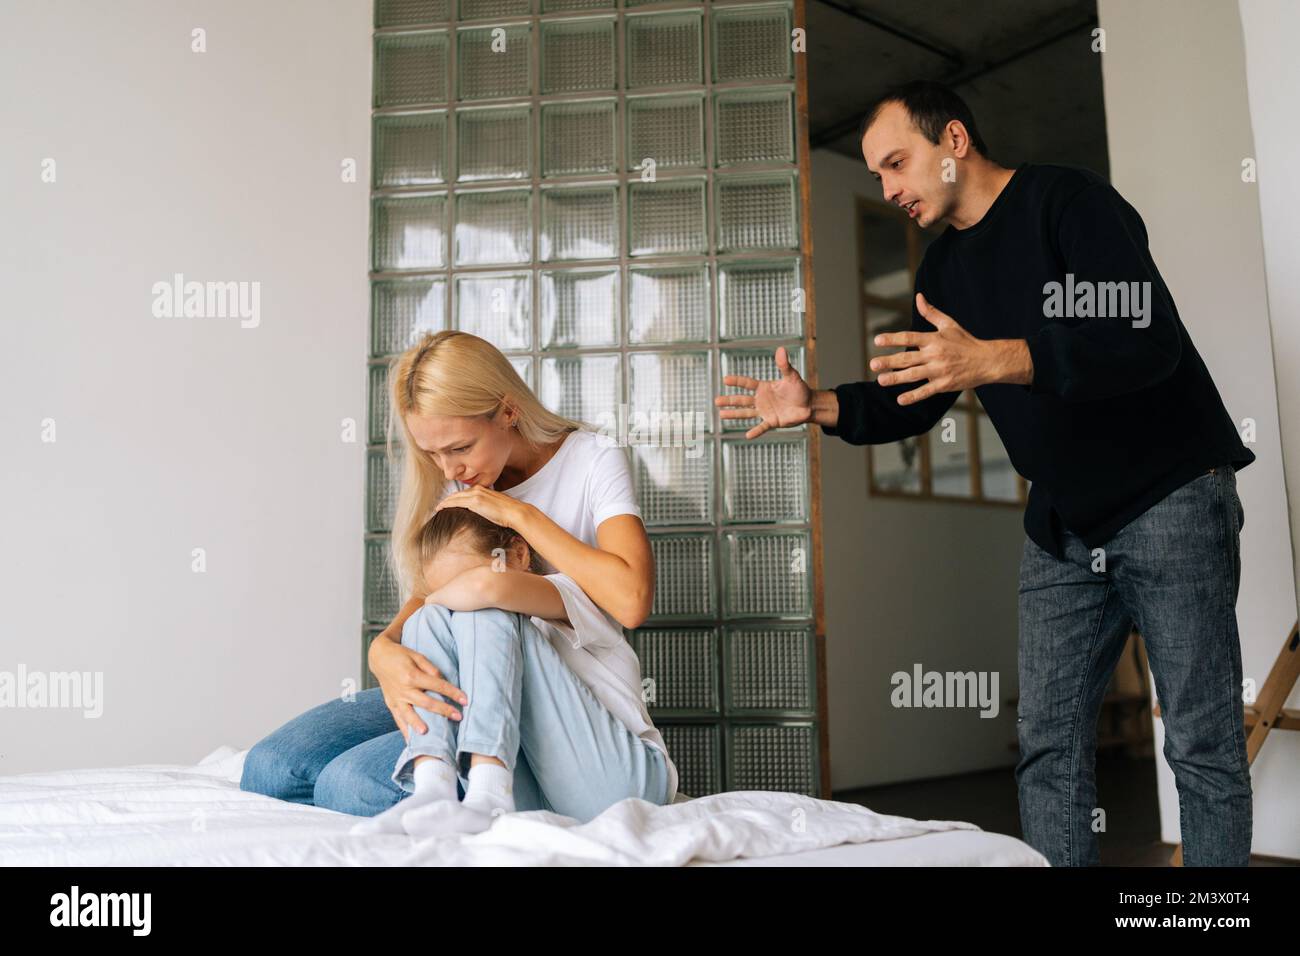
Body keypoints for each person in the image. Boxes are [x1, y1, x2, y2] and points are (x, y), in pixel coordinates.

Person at [715, 80, 1255, 867]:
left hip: (1169, 495)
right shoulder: (943, 272)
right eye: (876, 176)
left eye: (896, 163)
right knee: (1047, 743)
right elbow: (912, 397)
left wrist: (1001, 358)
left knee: (1202, 741)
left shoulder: (1069, 203)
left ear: (955, 142)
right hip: (1063, 526)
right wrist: (818, 405)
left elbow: (1146, 342)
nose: (889, 188)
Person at [241, 330, 675, 826]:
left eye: (460, 447)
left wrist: (518, 514)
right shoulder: (459, 481)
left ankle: (487, 782)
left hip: (577, 722)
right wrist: (384, 650)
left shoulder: (591, 458)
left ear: (507, 411)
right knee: (273, 768)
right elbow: (429, 601)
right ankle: (458, 780)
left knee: (352, 781)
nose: (450, 469)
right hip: (475, 686)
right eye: (432, 453)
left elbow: (630, 600)